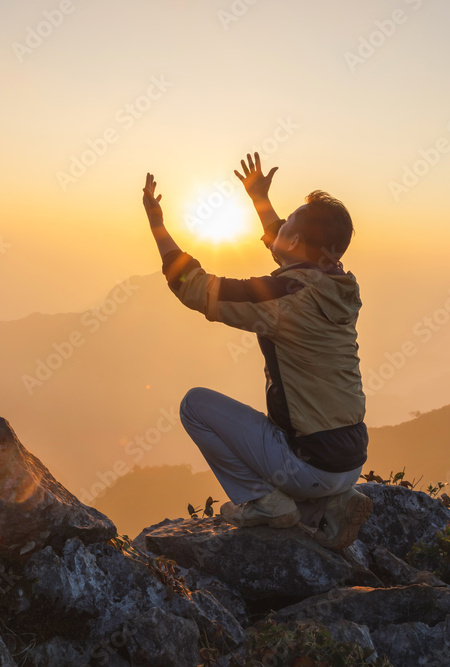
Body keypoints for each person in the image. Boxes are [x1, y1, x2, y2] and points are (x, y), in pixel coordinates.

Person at [140, 153, 373, 550]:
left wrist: (157, 226)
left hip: (308, 461)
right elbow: (293, 253)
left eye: (289, 226)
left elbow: (195, 287)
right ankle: (333, 502)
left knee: (194, 405)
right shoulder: (336, 284)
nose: (280, 229)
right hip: (350, 461)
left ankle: (264, 501)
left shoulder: (283, 298)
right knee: (306, 448)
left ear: (298, 241)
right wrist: (259, 200)